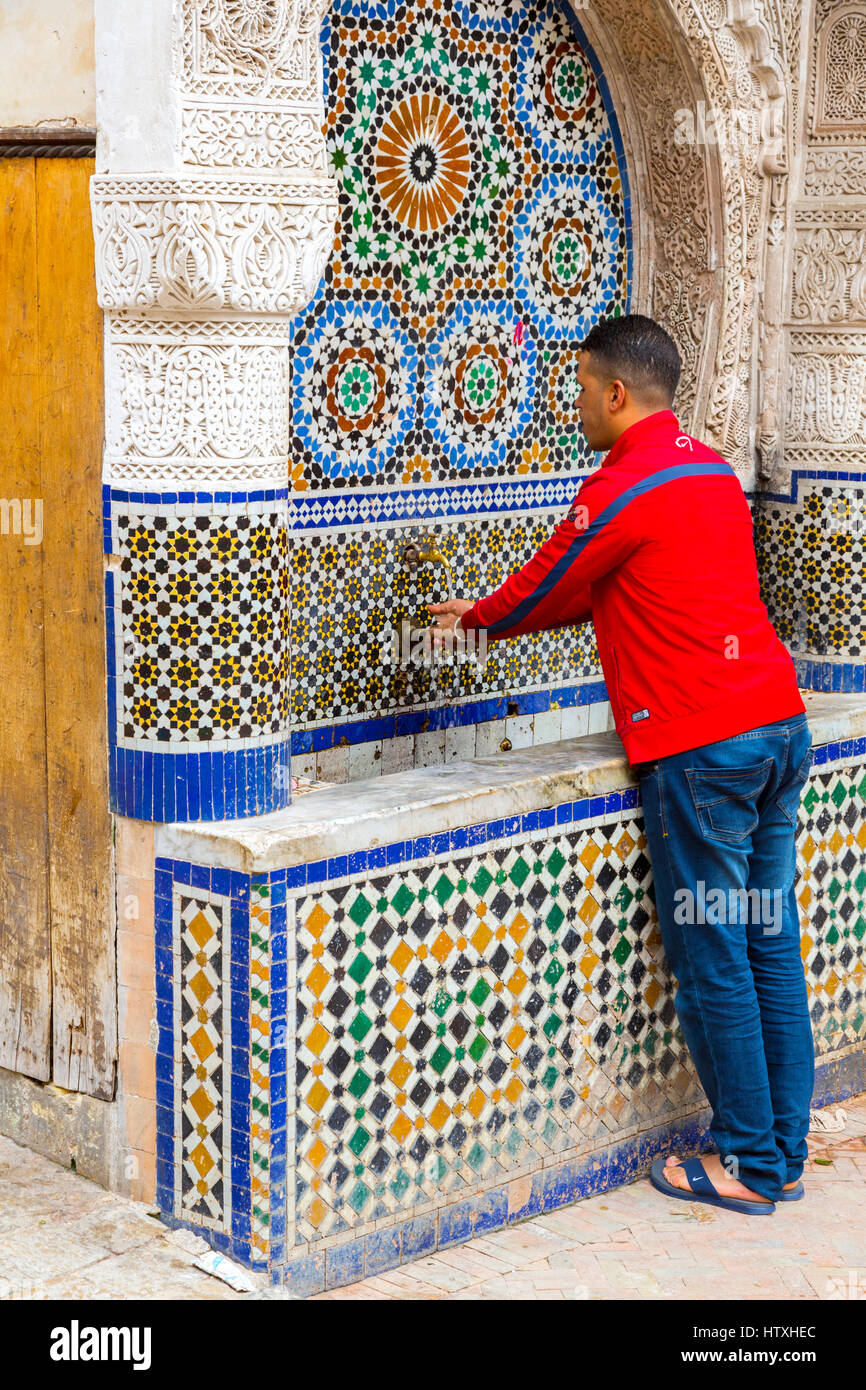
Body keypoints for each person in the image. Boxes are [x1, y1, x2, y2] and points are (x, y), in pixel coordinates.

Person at [428, 313, 814, 1215]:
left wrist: (476, 617)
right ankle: (782, 1157)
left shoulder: (624, 484)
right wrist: (507, 612)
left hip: (706, 754)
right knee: (766, 949)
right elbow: (614, 587)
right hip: (775, 732)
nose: (575, 406)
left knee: (716, 956)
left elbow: (550, 574)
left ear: (615, 392)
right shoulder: (709, 468)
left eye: (579, 388)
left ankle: (748, 1165)